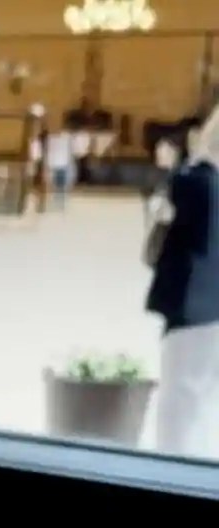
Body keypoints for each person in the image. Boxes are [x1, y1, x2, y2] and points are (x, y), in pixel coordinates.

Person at [146, 108, 219, 458]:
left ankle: (170, 476)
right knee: (204, 403)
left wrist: (177, 161)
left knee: (178, 404)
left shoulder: (197, 180)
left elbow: (160, 238)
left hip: (191, 309)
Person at [46, 123, 77, 211]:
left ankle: (61, 201)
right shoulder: (50, 139)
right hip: (55, 164)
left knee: (61, 185)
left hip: (63, 164)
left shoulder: (67, 139)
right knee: (56, 184)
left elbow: (71, 153)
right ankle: (58, 200)